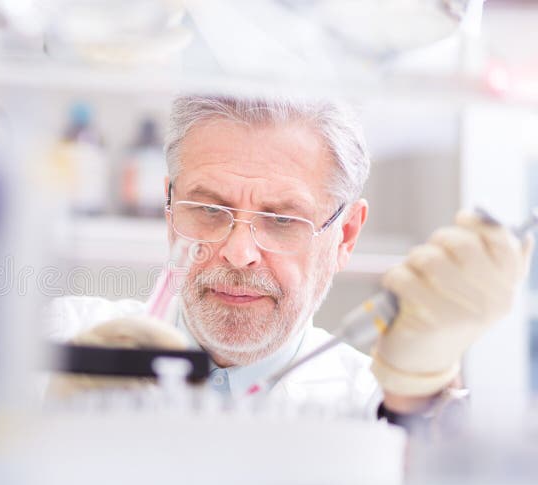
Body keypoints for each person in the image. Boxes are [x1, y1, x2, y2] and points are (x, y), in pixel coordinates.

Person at [47, 95, 532, 425]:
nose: (239, 253)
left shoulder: (370, 403)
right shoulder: (65, 340)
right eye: (209, 211)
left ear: (345, 235)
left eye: (281, 220)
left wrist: (423, 390)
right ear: (170, 210)